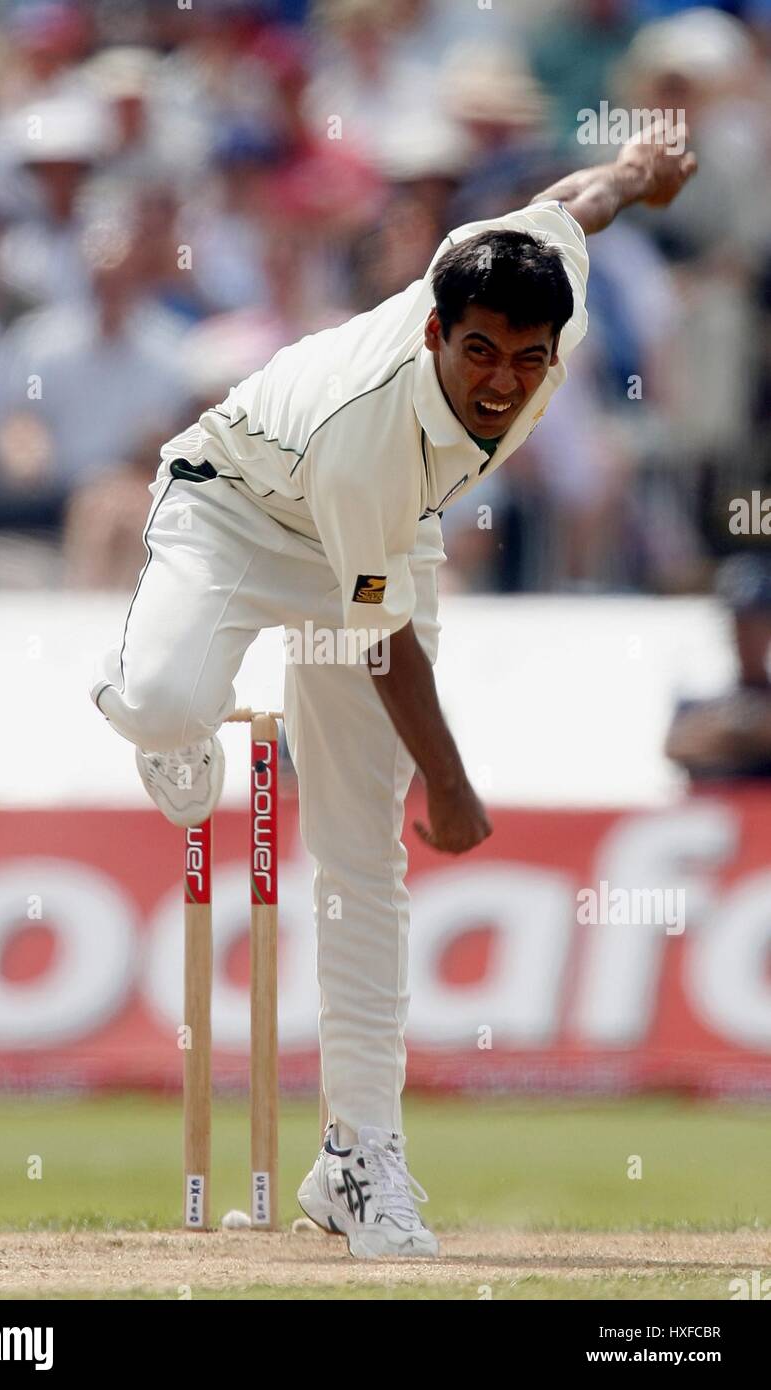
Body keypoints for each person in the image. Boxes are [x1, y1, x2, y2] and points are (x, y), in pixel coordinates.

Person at [91, 123, 697, 1258]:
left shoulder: (527, 272)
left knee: (359, 856)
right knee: (168, 705)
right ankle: (167, 721)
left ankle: (356, 1160)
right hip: (240, 506)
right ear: (433, 330)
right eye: (477, 355)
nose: (501, 383)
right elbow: (383, 647)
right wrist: (454, 787)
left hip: (381, 546)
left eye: (526, 360)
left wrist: (635, 175)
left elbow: (573, 202)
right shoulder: (374, 421)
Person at [665, 555, 771, 781]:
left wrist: (738, 730)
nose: (745, 636)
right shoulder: (700, 696)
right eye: (739, 625)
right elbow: (676, 746)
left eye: (755, 626)